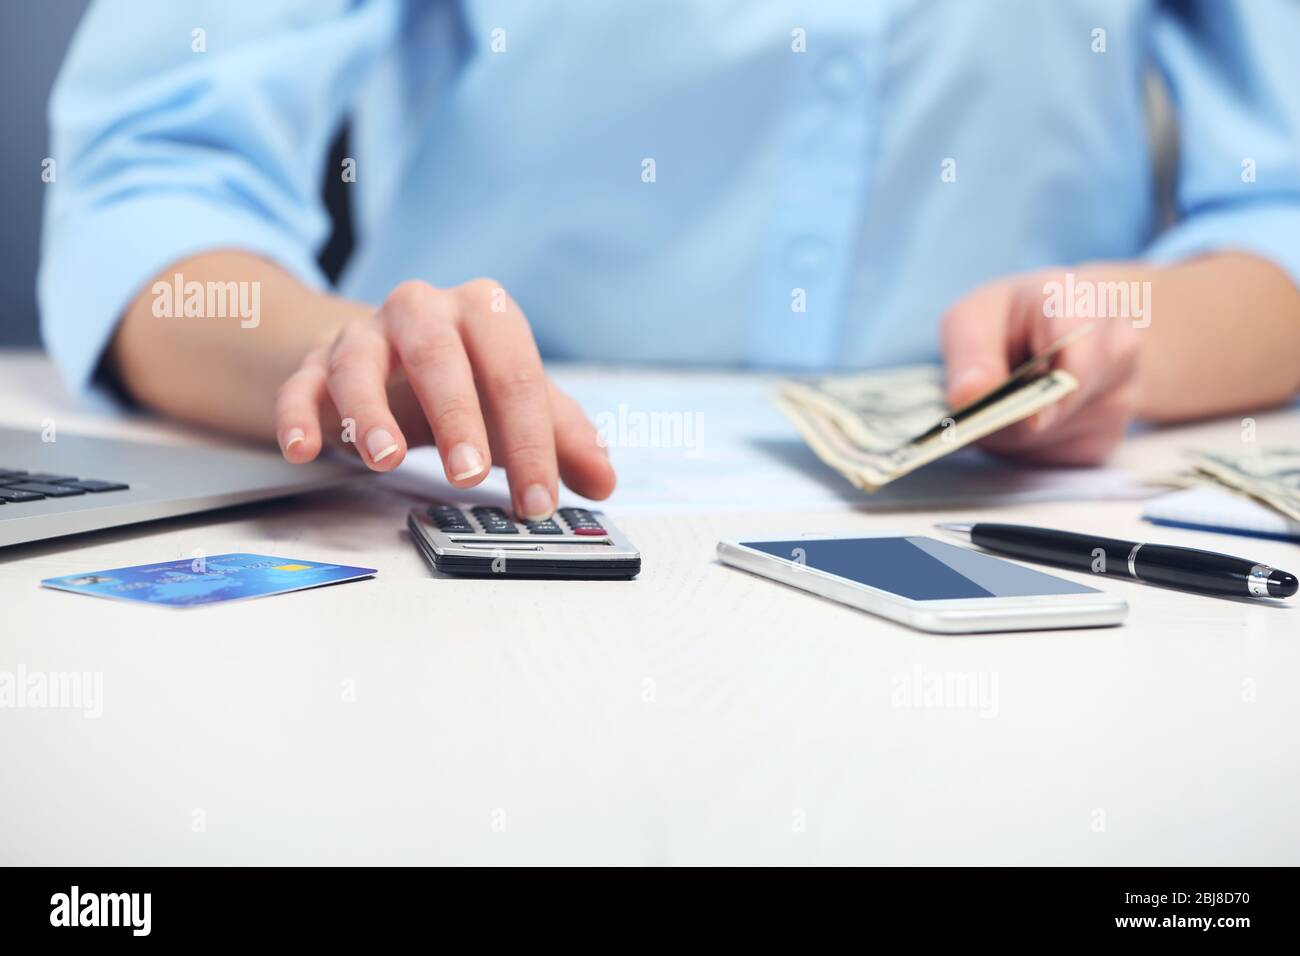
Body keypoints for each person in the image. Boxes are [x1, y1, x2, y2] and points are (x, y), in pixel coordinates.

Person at [39, 1, 1300, 521]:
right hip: (451, 514)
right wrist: (334, 362)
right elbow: (150, 181)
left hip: (1020, 517)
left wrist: (1127, 334)